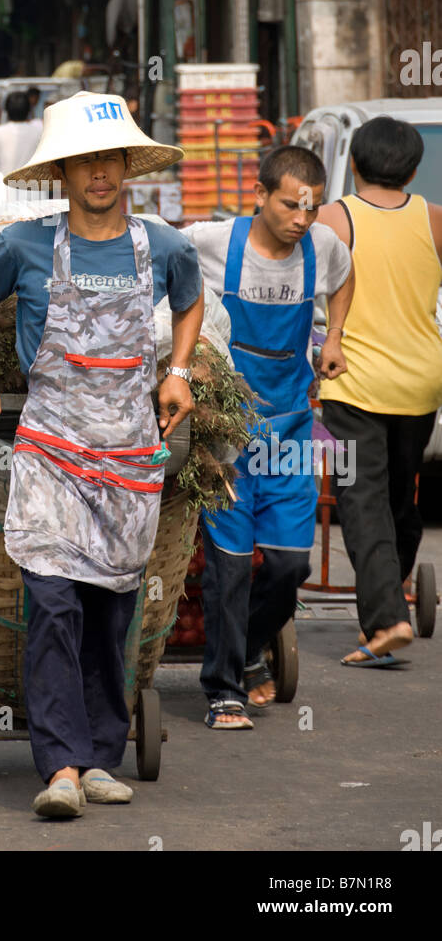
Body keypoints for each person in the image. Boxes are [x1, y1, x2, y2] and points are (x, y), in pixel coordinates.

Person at [0, 92, 203, 818]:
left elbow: (189, 303)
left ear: (127, 166)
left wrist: (181, 371)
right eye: (84, 161)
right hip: (49, 453)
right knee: (54, 604)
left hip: (128, 458)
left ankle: (101, 753)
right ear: (62, 172)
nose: (99, 173)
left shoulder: (164, 247)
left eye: (110, 159)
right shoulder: (25, 245)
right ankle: (61, 764)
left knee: (109, 610)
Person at [181, 145, 354, 728]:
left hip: (290, 433)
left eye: (311, 208)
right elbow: (165, 272)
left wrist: (335, 337)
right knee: (228, 565)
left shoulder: (323, 248)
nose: (301, 219)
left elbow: (346, 277)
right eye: (289, 205)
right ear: (259, 195)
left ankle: (250, 648)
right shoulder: (211, 242)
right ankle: (222, 687)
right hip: (226, 436)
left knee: (288, 565)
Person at [318, 117, 442, 666]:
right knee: (399, 495)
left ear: (352, 165)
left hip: (355, 380)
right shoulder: (435, 220)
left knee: (361, 497)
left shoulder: (333, 219)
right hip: (422, 381)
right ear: (414, 169)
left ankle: (388, 619)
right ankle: (393, 595)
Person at [0, 91, 42, 177]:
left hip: (2, 188)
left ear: (6, 110)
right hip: (34, 188)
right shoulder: (39, 133)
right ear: (28, 110)